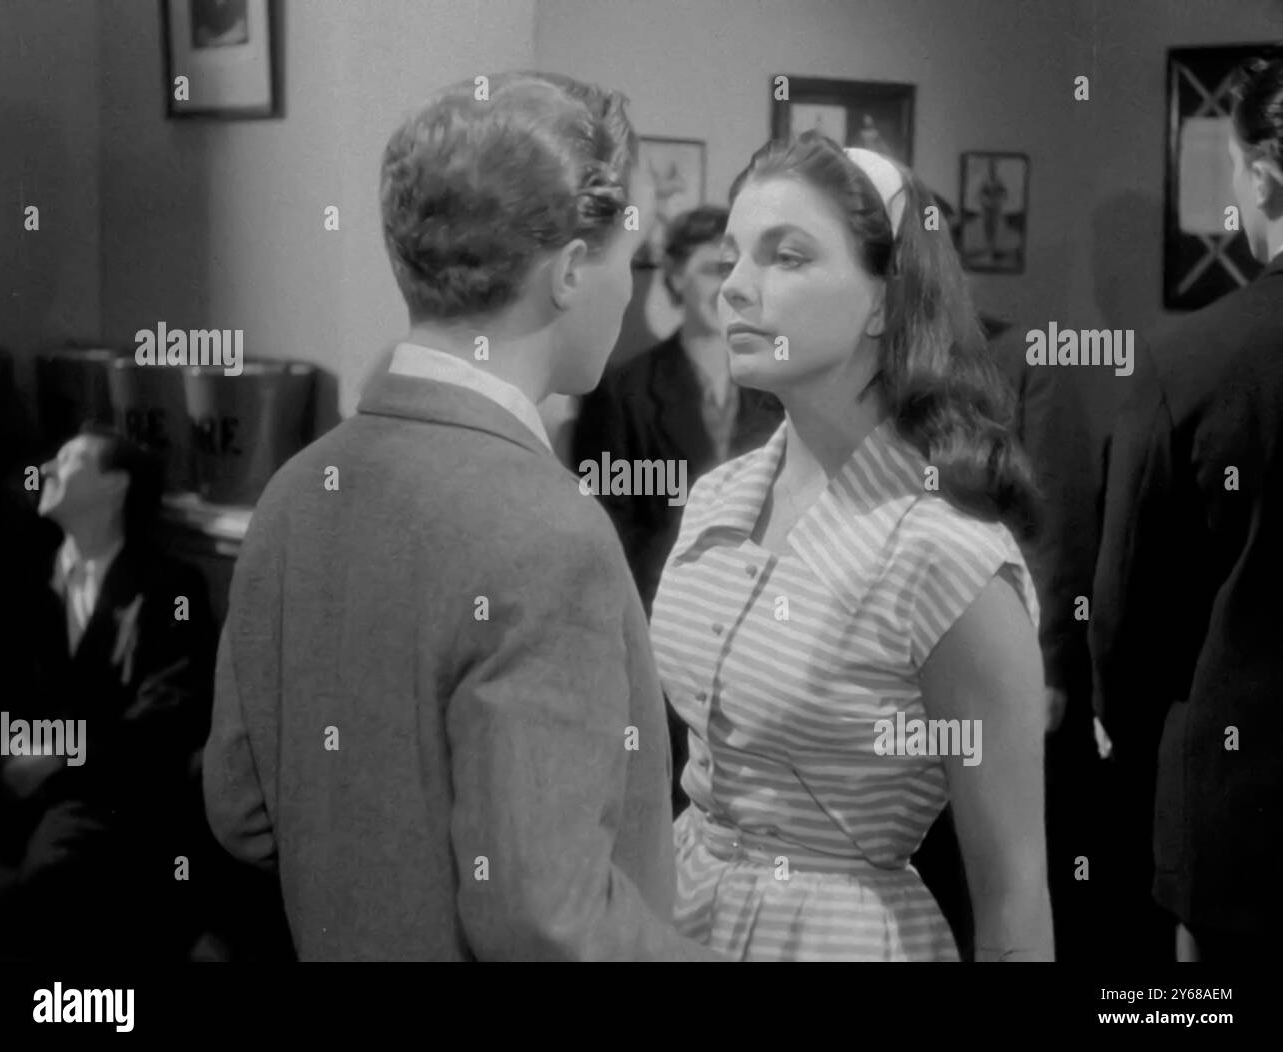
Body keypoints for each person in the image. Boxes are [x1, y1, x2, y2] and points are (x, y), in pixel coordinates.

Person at [202, 71, 722, 961]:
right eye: (625, 261)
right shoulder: (547, 533)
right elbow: (546, 915)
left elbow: (242, 811)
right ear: (567, 272)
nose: (630, 293)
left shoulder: (295, 490)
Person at [651, 133, 1053, 961]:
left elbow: (1014, 898)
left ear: (882, 301)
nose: (734, 289)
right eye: (731, 258)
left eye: (786, 256)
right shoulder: (718, 500)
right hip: (678, 914)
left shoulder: (948, 556)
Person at [1091, 54, 1283, 963]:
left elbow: (1124, 614)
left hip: (1237, 823)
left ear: (1268, 180)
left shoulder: (1185, 363)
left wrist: (1125, 730)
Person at [572, 206, 784, 817]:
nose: (728, 283)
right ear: (674, 279)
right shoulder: (624, 389)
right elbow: (608, 531)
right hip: (661, 639)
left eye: (737, 267)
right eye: (709, 268)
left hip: (766, 640)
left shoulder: (778, 383)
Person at [0, 424, 216, 961]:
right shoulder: (20, 578)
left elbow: (169, 716)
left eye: (68, 459)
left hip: (102, 796)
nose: (44, 469)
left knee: (49, 887)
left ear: (115, 485)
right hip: (3, 780)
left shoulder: (169, 588)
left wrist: (59, 753)